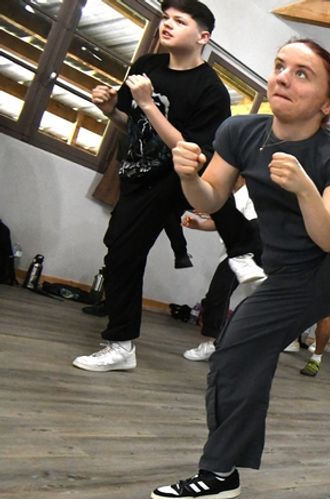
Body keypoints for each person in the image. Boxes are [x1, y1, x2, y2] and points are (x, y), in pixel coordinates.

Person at [149, 38, 330, 499]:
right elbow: (211, 198)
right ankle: (219, 473)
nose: (282, 78)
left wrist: (306, 189)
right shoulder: (239, 132)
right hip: (288, 279)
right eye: (279, 66)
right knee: (233, 354)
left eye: (301, 73)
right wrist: (190, 177)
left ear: (328, 103)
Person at [73, 0, 230, 372]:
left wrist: (147, 102)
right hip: (134, 173)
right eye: (165, 18)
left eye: (179, 20)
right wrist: (111, 109)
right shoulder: (148, 66)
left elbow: (190, 151)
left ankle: (121, 344)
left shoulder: (212, 91)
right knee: (117, 249)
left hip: (169, 183)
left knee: (125, 253)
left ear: (203, 36)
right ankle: (118, 327)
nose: (167, 24)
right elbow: (135, 125)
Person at [180, 177, 264, 362]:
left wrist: (213, 212)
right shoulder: (230, 195)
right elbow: (224, 222)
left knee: (219, 295)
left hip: (250, 249)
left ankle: (216, 344)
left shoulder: (253, 192)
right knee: (217, 296)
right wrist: (200, 225)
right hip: (237, 251)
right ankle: (215, 343)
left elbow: (245, 222)